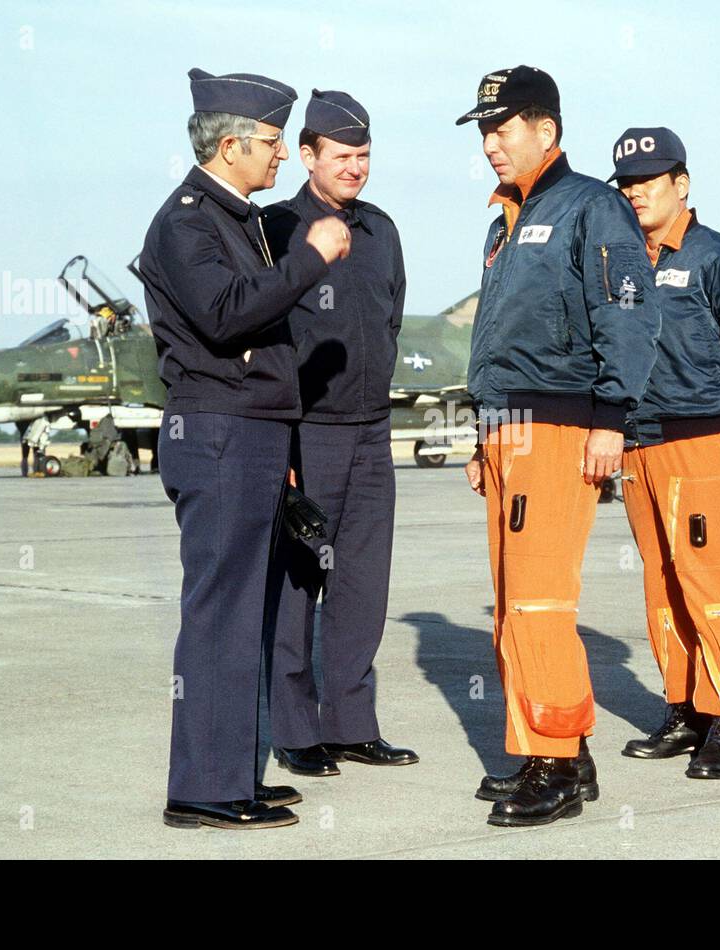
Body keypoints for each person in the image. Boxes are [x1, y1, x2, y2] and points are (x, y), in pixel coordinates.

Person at [140, 67, 351, 830]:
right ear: (230, 145)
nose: (282, 157)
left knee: (247, 616)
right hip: (219, 434)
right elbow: (227, 317)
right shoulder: (188, 223)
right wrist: (310, 259)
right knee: (220, 614)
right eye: (270, 142)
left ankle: (232, 773)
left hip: (253, 434)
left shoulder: (241, 218)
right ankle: (202, 788)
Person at [455, 66, 662, 826]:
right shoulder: (503, 220)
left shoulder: (591, 208)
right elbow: (496, 338)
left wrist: (613, 416)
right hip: (507, 428)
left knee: (540, 601)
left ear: (545, 130)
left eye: (501, 129)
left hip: (560, 425)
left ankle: (556, 762)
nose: (489, 146)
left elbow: (628, 315)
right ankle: (560, 753)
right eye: (483, 131)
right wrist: (484, 435)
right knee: (514, 602)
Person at [609, 127, 720, 779]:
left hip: (700, 442)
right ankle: (685, 708)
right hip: (637, 447)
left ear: (681, 186)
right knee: (661, 585)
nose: (635, 194)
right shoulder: (619, 263)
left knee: (712, 581)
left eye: (648, 182)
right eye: (626, 184)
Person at [262, 90, 417, 777]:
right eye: (342, 156)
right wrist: (285, 441)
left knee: (362, 584)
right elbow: (263, 333)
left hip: (371, 433)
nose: (355, 168)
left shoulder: (381, 229)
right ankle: (296, 732)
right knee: (298, 586)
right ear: (307, 155)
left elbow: (389, 321)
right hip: (308, 435)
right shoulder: (276, 227)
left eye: (364, 155)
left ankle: (351, 724)